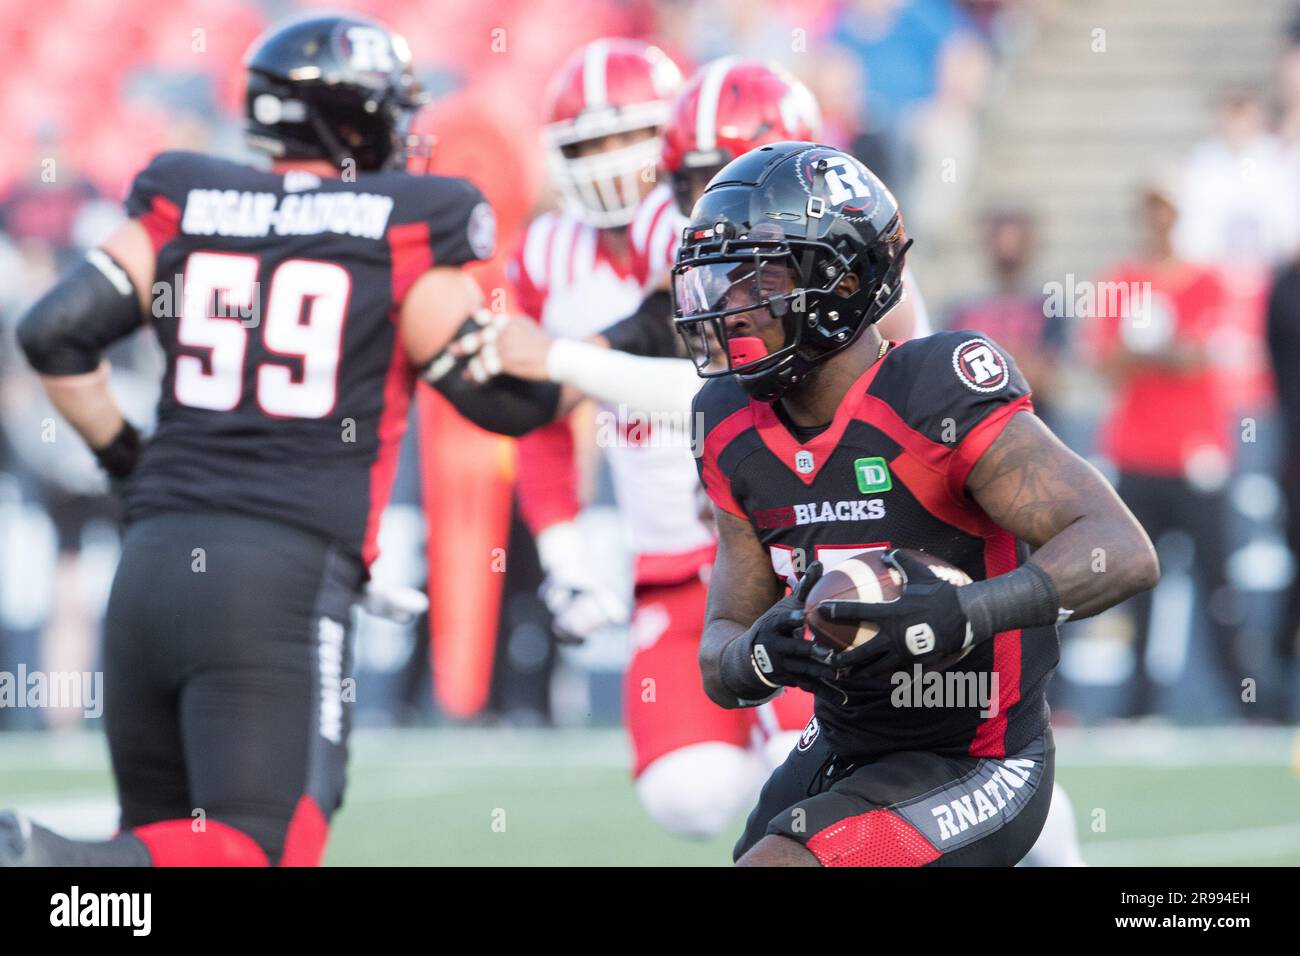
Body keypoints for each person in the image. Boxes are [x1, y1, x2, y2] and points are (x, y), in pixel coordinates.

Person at [1, 12, 557, 867]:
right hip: (279, 581)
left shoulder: (186, 200)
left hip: (151, 564)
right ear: (359, 118)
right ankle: (45, 861)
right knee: (258, 850)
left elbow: (53, 334)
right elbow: (510, 406)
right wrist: (571, 353)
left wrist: (130, 467)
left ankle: (74, 869)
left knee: (154, 858)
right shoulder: (403, 223)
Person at [681, 142, 1157, 866]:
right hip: (846, 741)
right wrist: (761, 654)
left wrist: (965, 613)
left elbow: (1121, 551)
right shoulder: (728, 420)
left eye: (761, 277)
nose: (731, 305)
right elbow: (720, 652)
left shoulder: (931, 390)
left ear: (840, 283)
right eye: (723, 280)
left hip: (981, 753)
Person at [1090, 181, 1246, 719]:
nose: (1160, 220)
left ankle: (1247, 702)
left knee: (1216, 580)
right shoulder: (1123, 280)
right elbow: (1105, 365)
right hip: (1136, 454)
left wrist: (1146, 350)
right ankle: (1137, 705)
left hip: (1196, 454)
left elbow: (1199, 356)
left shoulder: (1207, 280)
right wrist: (1154, 350)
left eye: (1168, 210)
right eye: (1152, 209)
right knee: (1137, 582)